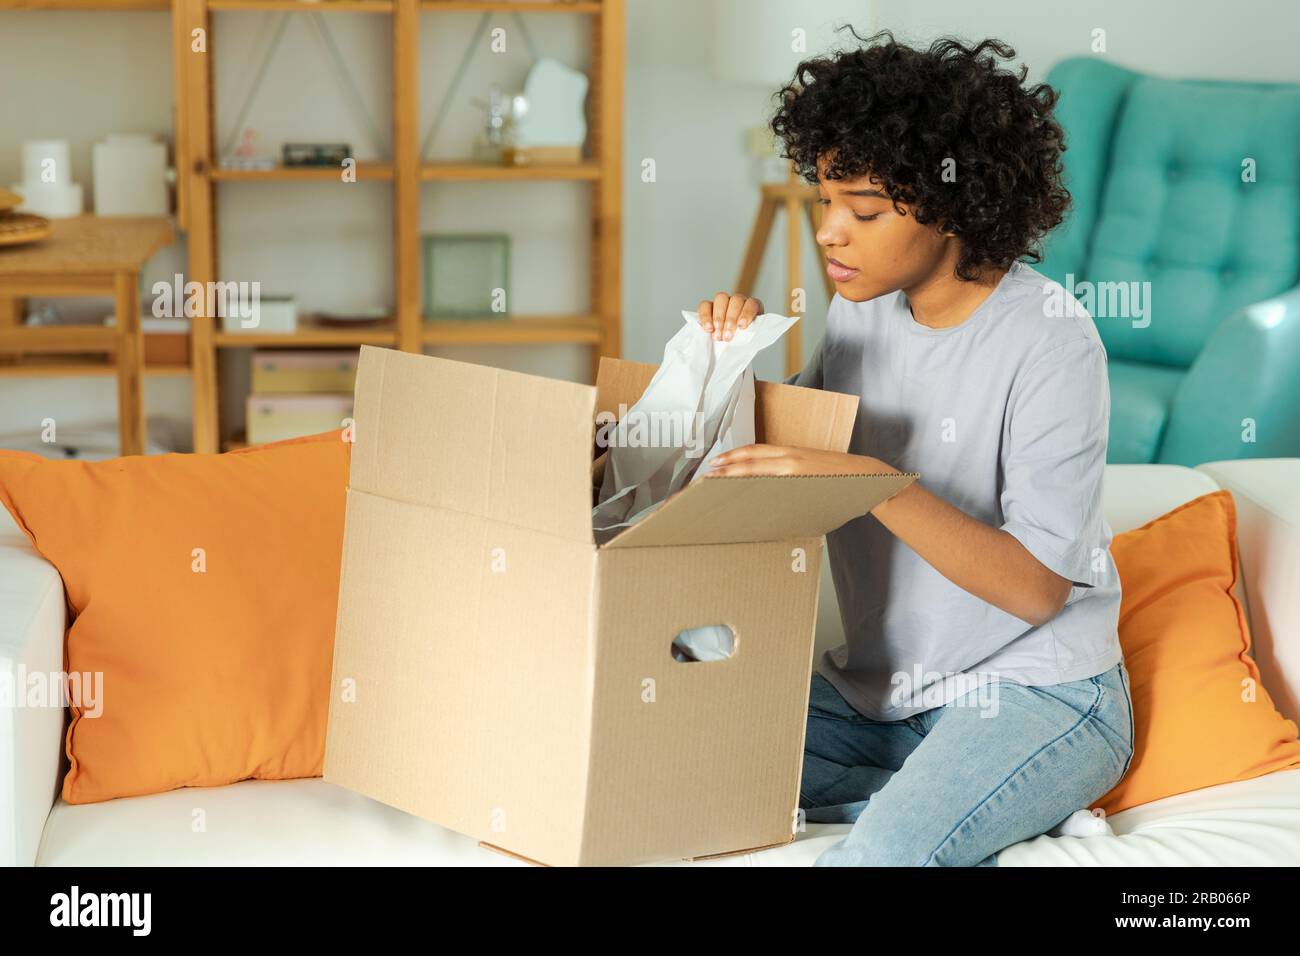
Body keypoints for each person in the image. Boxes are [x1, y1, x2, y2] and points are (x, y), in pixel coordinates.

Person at [696, 30, 1134, 867]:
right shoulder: (863, 309)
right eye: (824, 201)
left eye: (862, 210)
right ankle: (928, 786)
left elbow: (1039, 589)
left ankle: (948, 794)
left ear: (953, 204)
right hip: (879, 702)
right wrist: (726, 360)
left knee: (879, 856)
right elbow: (790, 450)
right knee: (657, 764)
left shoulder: (1053, 343)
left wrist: (875, 482)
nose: (830, 233)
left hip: (1036, 691)